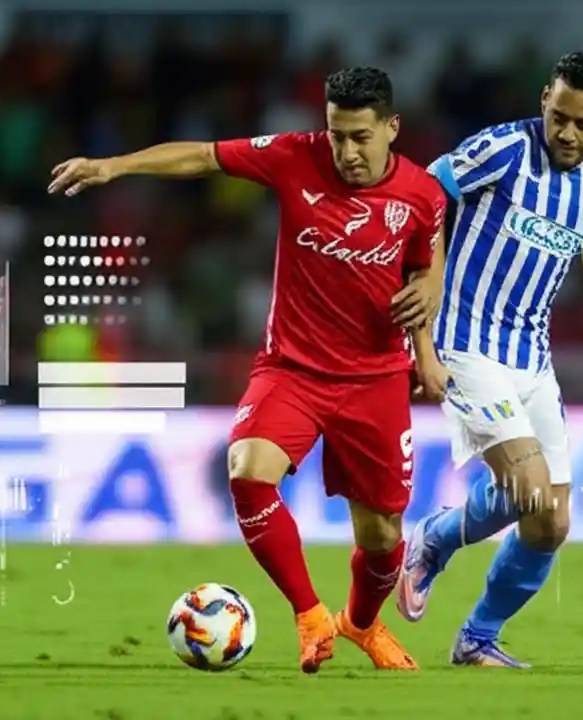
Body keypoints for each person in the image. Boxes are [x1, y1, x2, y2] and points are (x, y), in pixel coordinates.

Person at [49, 66, 447, 674]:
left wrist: (427, 352)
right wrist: (115, 166)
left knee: (384, 538)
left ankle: (362, 625)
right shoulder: (294, 156)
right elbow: (203, 158)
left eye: (361, 137)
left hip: (376, 379)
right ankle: (310, 614)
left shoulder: (422, 195)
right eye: (337, 134)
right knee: (247, 469)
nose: (346, 151)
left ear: (391, 129)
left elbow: (424, 272)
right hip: (293, 368)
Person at [398, 52, 583, 668]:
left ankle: (476, 638)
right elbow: (420, 198)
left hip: (531, 358)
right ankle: (436, 539)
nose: (565, 133)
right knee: (528, 491)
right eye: (556, 117)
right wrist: (427, 298)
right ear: (544, 101)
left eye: (581, 122)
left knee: (550, 523)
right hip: (464, 344)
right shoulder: (501, 150)